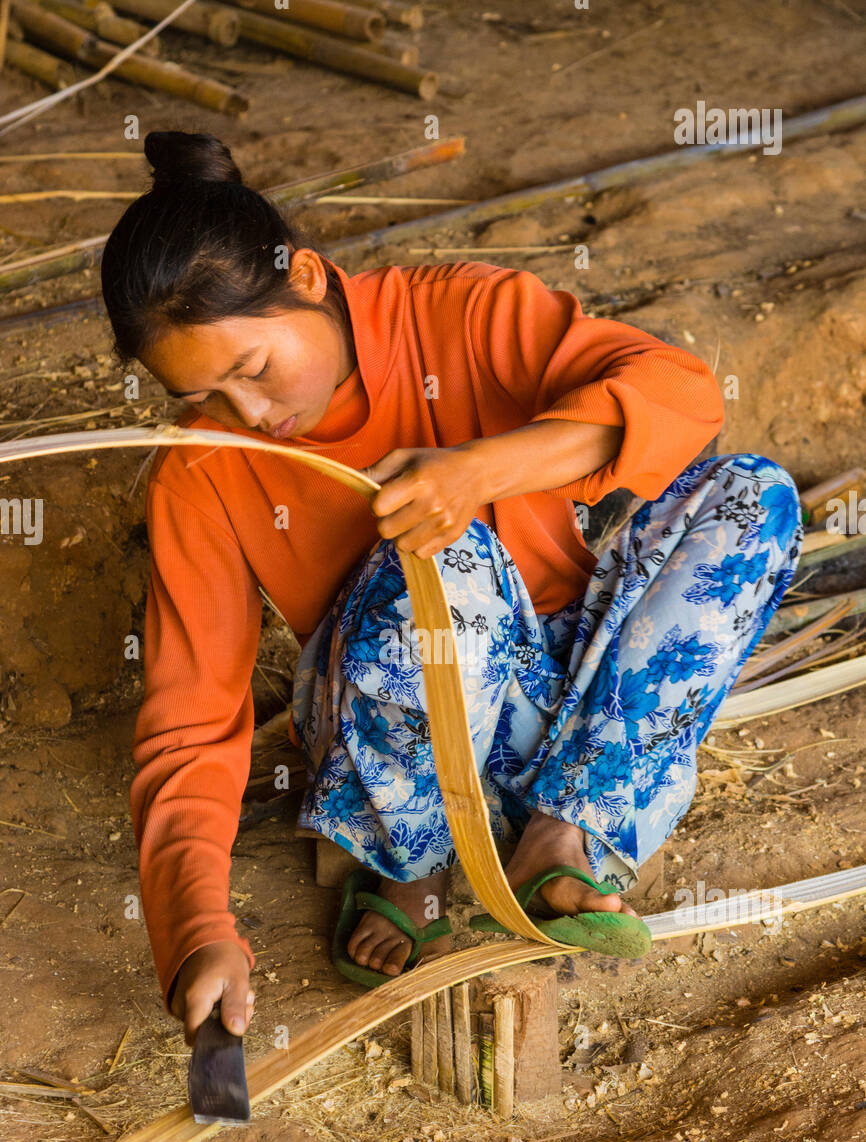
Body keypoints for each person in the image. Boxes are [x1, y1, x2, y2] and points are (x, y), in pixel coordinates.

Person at [100, 130, 803, 1041]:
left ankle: (562, 828)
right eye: (207, 397)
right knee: (440, 550)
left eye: (254, 370)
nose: (253, 415)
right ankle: (411, 860)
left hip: (569, 714)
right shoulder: (201, 470)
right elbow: (191, 718)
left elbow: (682, 395)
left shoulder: (459, 312)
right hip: (390, 740)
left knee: (752, 495)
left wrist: (481, 468)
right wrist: (197, 931)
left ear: (305, 277)